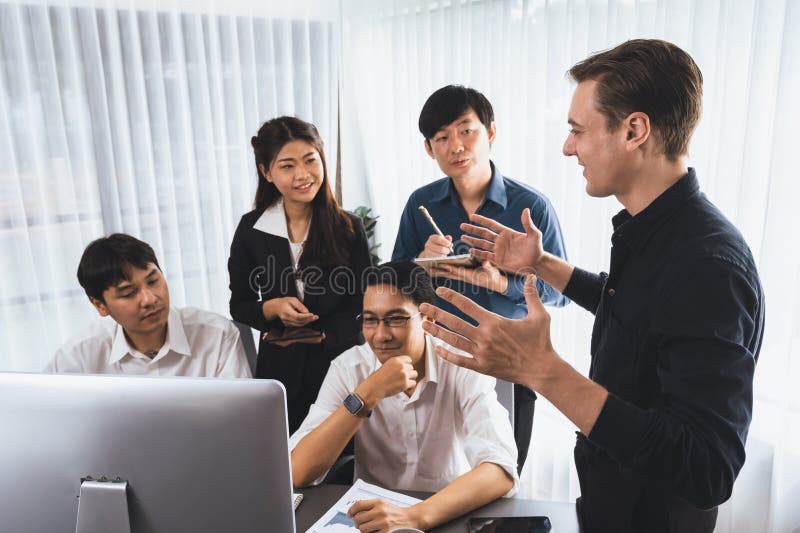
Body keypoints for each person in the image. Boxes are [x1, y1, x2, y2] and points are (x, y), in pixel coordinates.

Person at [419, 39, 765, 533]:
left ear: (635, 130)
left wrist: (543, 372)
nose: (567, 146)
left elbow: (706, 467)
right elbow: (635, 309)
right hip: (607, 503)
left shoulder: (707, 263)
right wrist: (542, 265)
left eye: (577, 131)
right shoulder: (657, 230)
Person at [392, 84, 569, 470]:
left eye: (465, 130)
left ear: (490, 133)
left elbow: (560, 293)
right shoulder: (419, 204)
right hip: (440, 362)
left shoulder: (531, 206)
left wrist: (502, 283)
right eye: (441, 137)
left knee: (503, 473)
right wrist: (419, 261)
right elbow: (395, 287)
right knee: (438, 473)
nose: (455, 145)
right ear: (429, 148)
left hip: (510, 358)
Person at [290, 261, 517, 533]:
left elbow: (500, 469)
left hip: (449, 509)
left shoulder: (460, 364)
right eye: (370, 320)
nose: (381, 336)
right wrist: (366, 395)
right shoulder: (348, 367)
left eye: (396, 319)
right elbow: (297, 470)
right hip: (371, 517)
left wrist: (413, 516)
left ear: (428, 320)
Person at [229, 116, 372, 432]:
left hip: (340, 367)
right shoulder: (251, 229)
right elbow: (239, 304)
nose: (303, 174)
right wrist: (271, 308)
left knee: (343, 462)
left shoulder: (349, 228)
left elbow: (364, 304)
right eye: (287, 166)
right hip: (280, 371)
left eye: (310, 160)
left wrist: (323, 334)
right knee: (285, 463)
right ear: (267, 172)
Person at [45, 233, 250, 377]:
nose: (150, 299)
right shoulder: (79, 356)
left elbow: (245, 420)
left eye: (153, 281)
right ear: (100, 305)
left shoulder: (217, 335)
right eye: (128, 292)